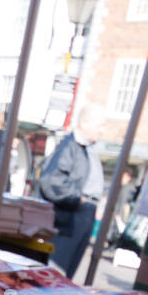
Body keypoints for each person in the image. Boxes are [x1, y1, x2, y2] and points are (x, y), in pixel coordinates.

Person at [40, 104, 106, 279]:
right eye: (99, 125)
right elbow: (50, 181)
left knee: (66, 274)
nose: (102, 130)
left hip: (82, 214)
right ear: (84, 123)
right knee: (57, 274)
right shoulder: (71, 146)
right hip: (71, 217)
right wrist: (79, 198)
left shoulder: (84, 148)